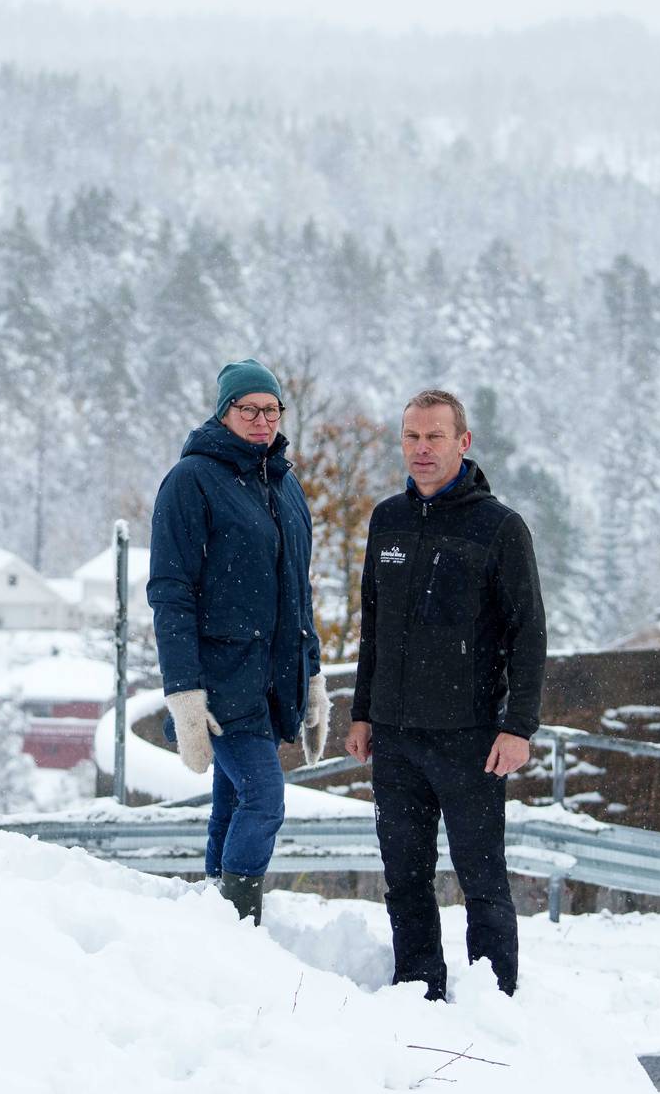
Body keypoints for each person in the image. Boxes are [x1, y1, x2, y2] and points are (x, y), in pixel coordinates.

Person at [345, 388, 546, 998]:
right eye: (411, 437)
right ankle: (418, 991)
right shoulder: (388, 520)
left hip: (472, 738)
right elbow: (372, 624)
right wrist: (362, 712)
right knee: (404, 878)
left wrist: (519, 727)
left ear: (463, 443)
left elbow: (528, 632)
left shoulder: (500, 527)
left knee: (481, 877)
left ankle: (495, 1001)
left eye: (434, 437)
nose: (422, 449)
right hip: (396, 736)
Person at [147, 359, 328, 925]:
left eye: (271, 409)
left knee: (231, 802)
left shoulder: (286, 485)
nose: (261, 420)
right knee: (263, 800)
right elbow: (170, 592)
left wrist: (313, 676)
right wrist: (184, 693)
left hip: (271, 681)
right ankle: (239, 918)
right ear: (223, 412)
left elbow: (299, 592)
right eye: (247, 409)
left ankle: (212, 920)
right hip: (221, 681)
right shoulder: (190, 480)